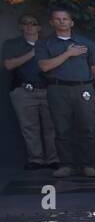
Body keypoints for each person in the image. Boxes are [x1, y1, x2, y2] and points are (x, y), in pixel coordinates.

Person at [36, 4, 95, 178]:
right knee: (61, 129)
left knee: (87, 128)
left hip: (84, 89)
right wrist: (68, 54)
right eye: (57, 19)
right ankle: (66, 165)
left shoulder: (86, 43)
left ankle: (87, 165)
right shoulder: (45, 43)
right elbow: (44, 66)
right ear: (52, 22)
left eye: (65, 19)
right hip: (57, 89)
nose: (62, 22)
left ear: (71, 22)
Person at [3, 12, 59, 170]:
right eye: (25, 23)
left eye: (33, 23)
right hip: (23, 90)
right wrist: (32, 52)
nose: (29, 26)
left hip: (48, 89)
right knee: (29, 127)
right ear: (20, 26)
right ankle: (36, 160)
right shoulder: (12, 44)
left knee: (51, 127)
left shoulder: (48, 43)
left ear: (39, 27)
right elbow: (9, 65)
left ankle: (53, 159)